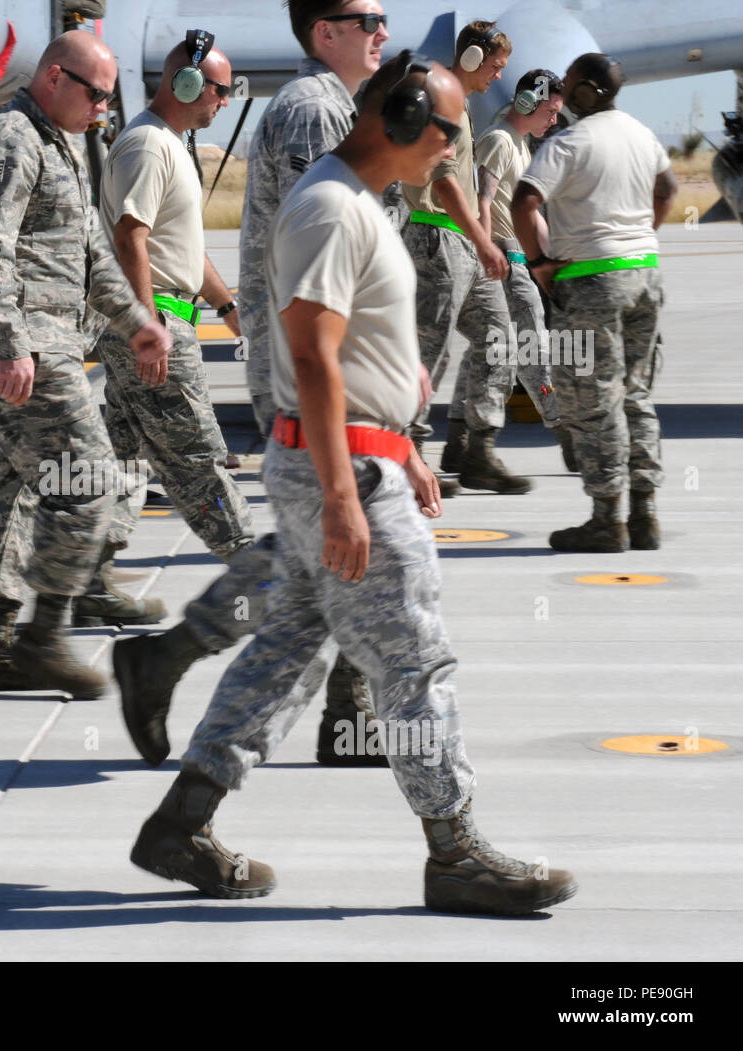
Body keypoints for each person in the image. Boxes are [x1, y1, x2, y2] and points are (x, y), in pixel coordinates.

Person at [128, 53, 578, 916]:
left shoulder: (359, 203)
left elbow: (359, 359)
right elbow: (313, 355)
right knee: (414, 660)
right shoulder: (332, 208)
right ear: (405, 121)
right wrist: (344, 490)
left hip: (356, 454)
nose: (451, 154)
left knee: (284, 654)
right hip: (343, 471)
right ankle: (455, 852)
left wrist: (400, 439)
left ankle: (182, 822)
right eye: (448, 136)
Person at [114, 0, 391, 769]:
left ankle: (190, 668)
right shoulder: (310, 111)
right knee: (341, 536)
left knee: (320, 554)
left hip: (328, 358)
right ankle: (334, 711)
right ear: (323, 31)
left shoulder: (333, 106)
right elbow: (321, 250)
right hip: (317, 363)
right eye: (368, 18)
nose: (383, 30)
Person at [0, 31, 171, 696]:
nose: (103, 107)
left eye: (110, 96)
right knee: (89, 480)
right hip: (30, 351)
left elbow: (92, 256)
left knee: (19, 490)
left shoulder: (64, 145)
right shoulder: (11, 138)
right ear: (53, 76)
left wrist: (140, 324)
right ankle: (45, 638)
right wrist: (8, 342)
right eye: (95, 93)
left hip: (49, 344)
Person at [88, 32, 250, 629]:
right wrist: (146, 325)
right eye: (220, 89)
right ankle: (260, 578)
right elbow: (131, 235)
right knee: (199, 460)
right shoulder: (148, 146)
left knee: (125, 463)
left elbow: (177, 248)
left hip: (165, 317)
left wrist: (227, 305)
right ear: (185, 83)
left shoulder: (170, 145)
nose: (225, 101)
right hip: (156, 326)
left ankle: (86, 583)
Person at [512, 53, 676, 552]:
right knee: (634, 394)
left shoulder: (568, 142)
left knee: (593, 403)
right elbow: (666, 189)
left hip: (590, 283)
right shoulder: (641, 134)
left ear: (585, 92)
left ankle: (607, 520)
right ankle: (645, 515)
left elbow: (523, 201)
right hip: (643, 278)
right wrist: (640, 239)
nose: (561, 96)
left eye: (567, 87)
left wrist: (538, 263)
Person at [402, 20, 529, 495]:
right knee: (427, 358)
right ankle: (409, 457)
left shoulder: (462, 105)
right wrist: (484, 239)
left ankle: (477, 450)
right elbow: (443, 180)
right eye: (495, 67)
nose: (498, 77)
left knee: (499, 337)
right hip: (437, 240)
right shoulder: (441, 99)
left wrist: (478, 240)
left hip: (464, 244)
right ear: (473, 59)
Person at [442, 68, 570, 477]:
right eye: (549, 110)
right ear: (527, 102)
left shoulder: (519, 145)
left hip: (513, 256)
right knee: (532, 344)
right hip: (504, 257)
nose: (553, 119)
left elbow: (526, 215)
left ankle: (458, 441)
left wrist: (553, 257)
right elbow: (484, 199)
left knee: (492, 347)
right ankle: (566, 431)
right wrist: (487, 251)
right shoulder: (499, 140)